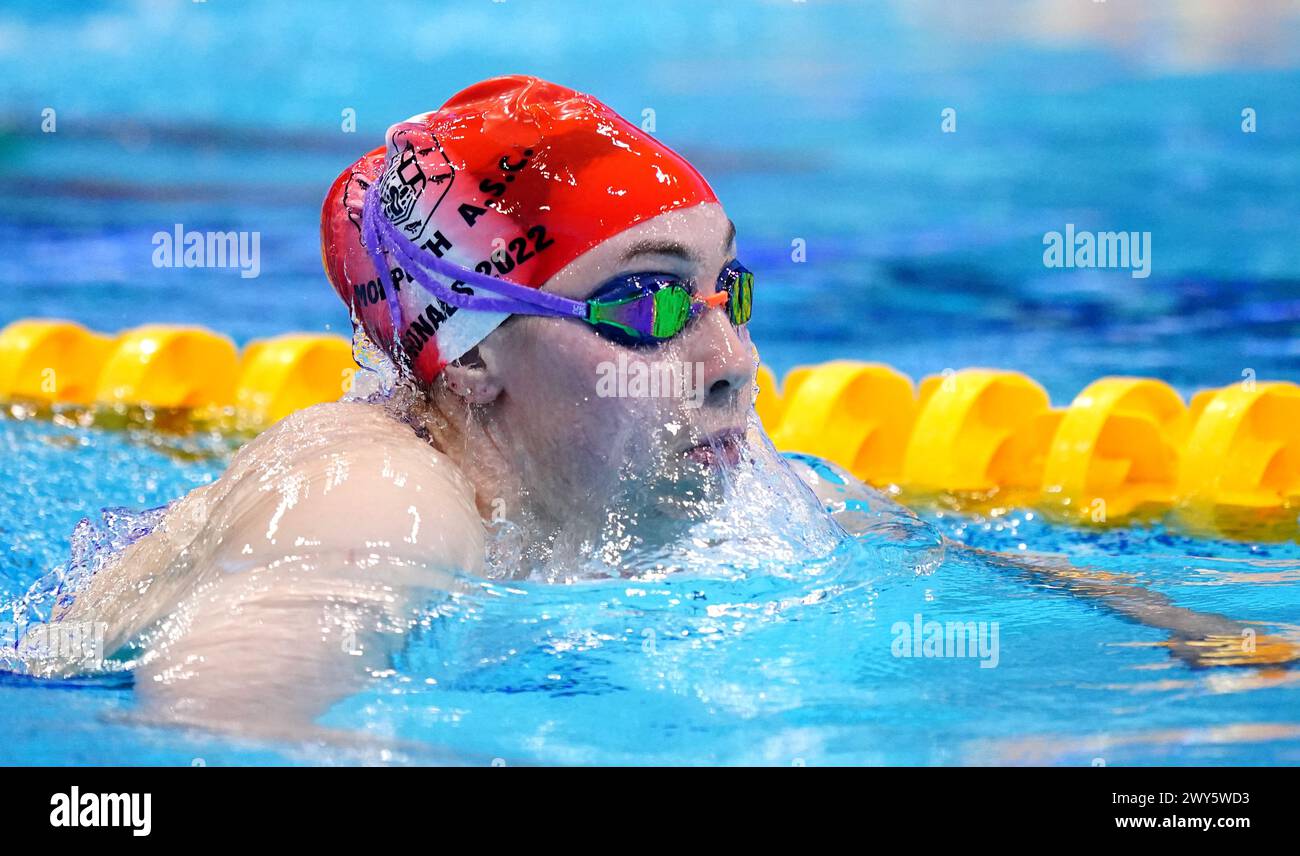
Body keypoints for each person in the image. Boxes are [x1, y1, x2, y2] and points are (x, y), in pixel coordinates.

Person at [27, 76, 1291, 737]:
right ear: (465, 353)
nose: (731, 354)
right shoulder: (374, 497)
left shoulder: (683, 462)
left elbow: (901, 541)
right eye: (644, 303)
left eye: (724, 286)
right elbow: (217, 728)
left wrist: (1185, 625)